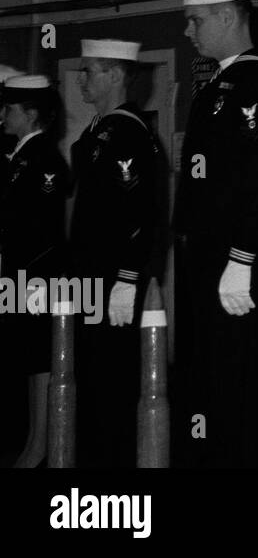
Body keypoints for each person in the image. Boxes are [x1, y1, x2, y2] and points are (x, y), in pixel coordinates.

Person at [174, 0, 258, 467]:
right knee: (218, 386)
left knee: (242, 388)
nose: (190, 30)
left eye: (197, 19)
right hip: (216, 263)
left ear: (228, 17)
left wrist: (242, 258)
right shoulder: (227, 84)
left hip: (239, 269)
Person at [69, 39, 163, 467]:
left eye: (89, 70)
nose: (82, 79)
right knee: (90, 376)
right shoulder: (97, 130)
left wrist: (127, 279)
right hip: (90, 275)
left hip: (112, 281)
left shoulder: (126, 133)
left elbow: (142, 210)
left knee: (113, 380)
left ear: (112, 74)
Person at [0, 74, 73, 468]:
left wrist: (29, 283)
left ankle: (41, 448)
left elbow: (40, 229)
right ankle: (34, 443)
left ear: (30, 114)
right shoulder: (23, 157)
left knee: (43, 361)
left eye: (10, 109)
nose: (3, 116)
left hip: (37, 279)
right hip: (22, 277)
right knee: (31, 361)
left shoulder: (43, 159)